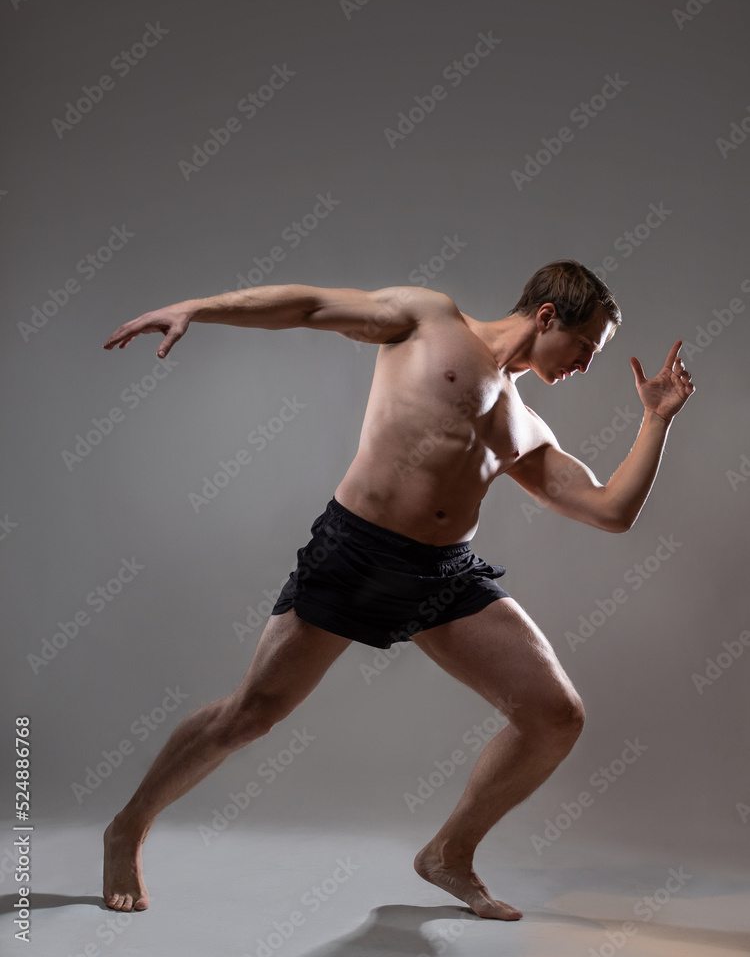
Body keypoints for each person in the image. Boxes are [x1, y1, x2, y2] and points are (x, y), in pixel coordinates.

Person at [99, 259, 694, 918]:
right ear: (548, 316)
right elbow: (309, 305)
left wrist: (656, 421)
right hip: (356, 553)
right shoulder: (428, 320)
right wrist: (197, 306)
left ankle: (449, 854)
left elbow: (611, 511)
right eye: (585, 346)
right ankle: (128, 825)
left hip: (445, 576)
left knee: (556, 715)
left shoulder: (526, 429)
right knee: (252, 713)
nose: (586, 363)